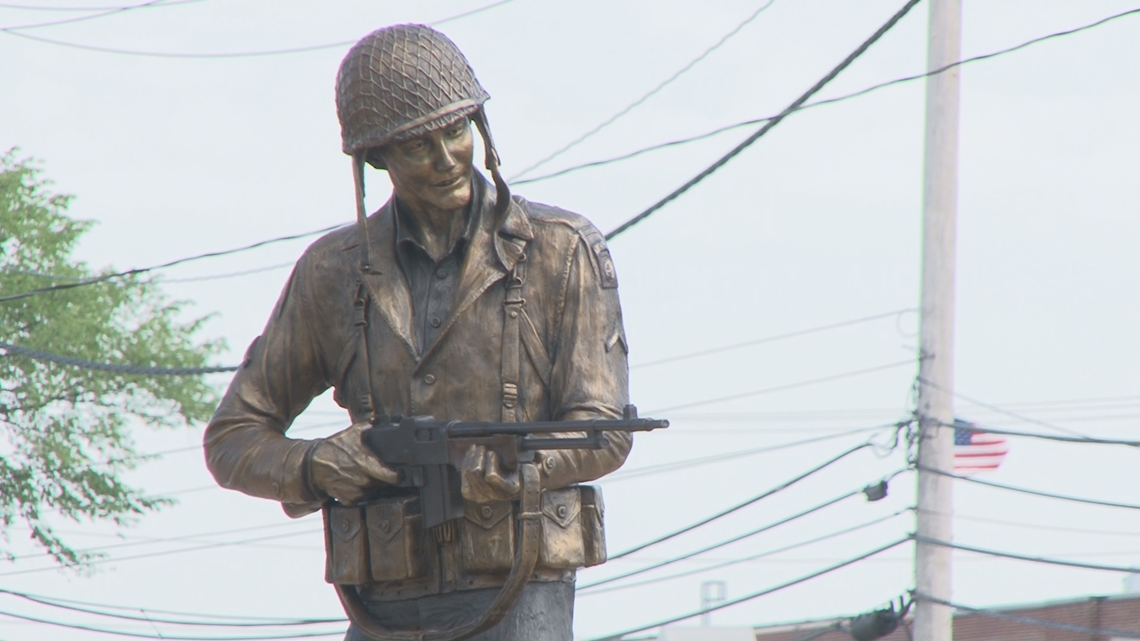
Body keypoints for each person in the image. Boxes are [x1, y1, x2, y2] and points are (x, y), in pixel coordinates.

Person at [204, 23, 633, 641]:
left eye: (455, 131)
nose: (445, 158)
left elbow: (603, 426)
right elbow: (234, 437)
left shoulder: (562, 253)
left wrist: (522, 468)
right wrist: (315, 463)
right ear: (377, 158)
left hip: (518, 590)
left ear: (478, 127)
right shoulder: (331, 274)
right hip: (381, 603)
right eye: (415, 146)